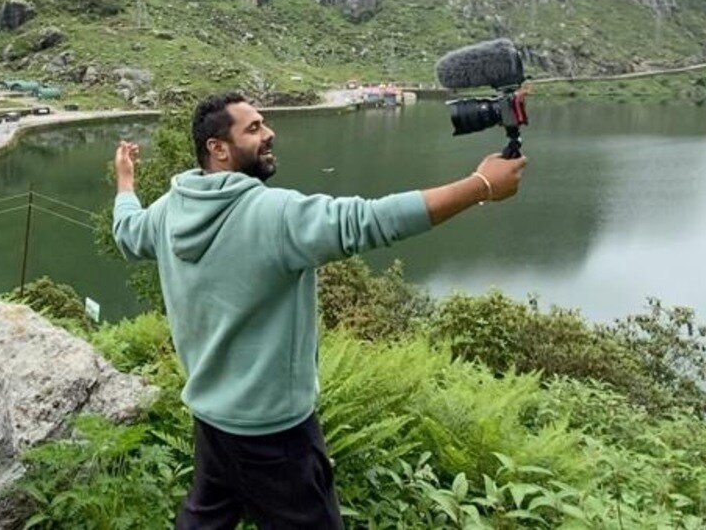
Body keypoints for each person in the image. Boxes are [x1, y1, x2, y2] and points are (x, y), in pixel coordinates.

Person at [112, 91, 528, 529]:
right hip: (275, 436)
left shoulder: (170, 209)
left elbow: (127, 232)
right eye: (253, 128)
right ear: (217, 149)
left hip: (212, 422)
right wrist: (480, 186)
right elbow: (371, 221)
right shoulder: (275, 214)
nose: (269, 132)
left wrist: (125, 183)